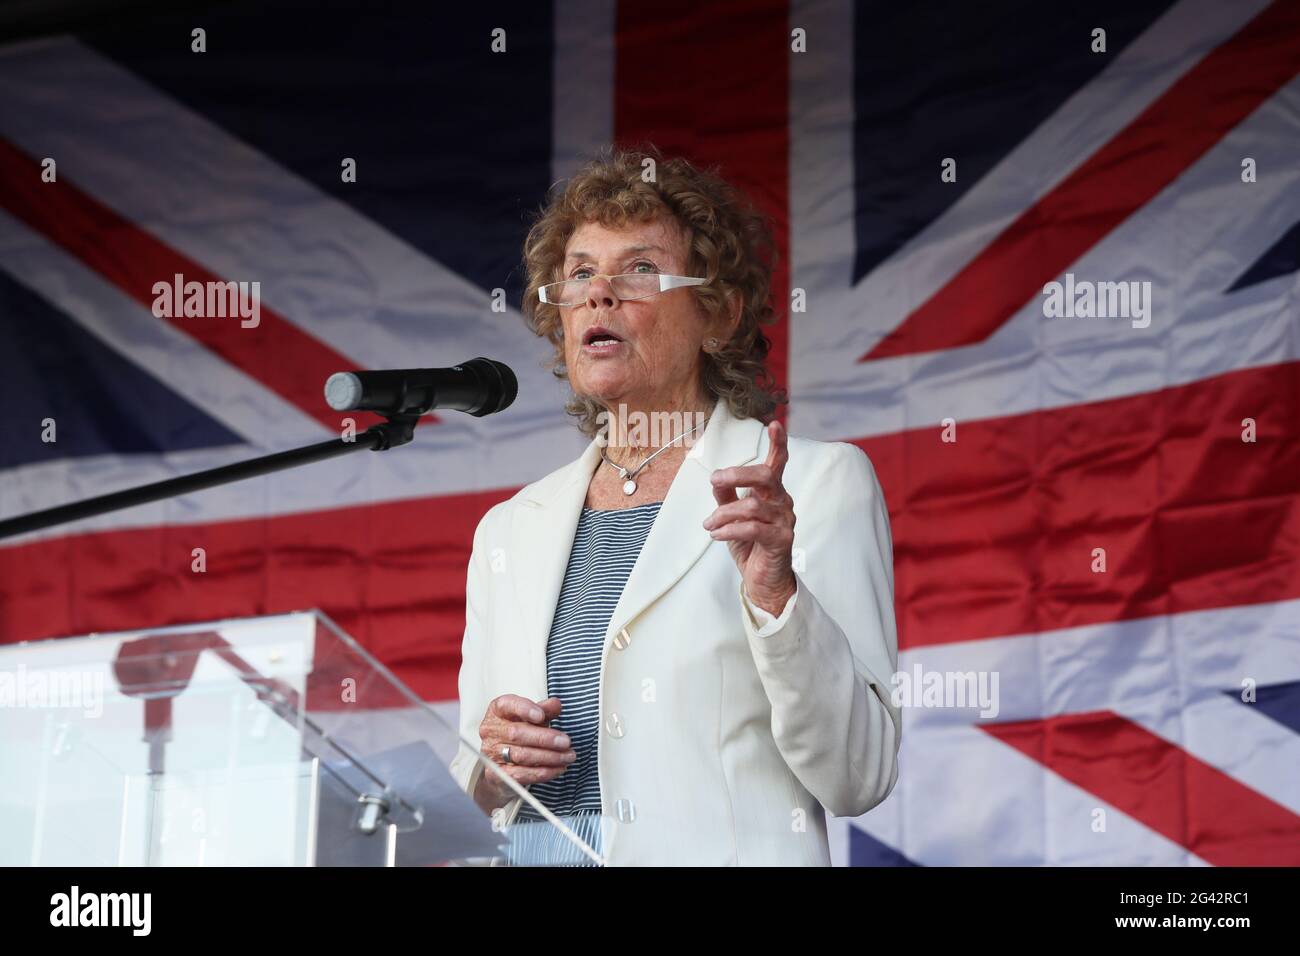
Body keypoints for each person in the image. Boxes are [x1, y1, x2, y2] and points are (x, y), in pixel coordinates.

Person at [449, 145, 900, 865]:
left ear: (718, 314)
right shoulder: (508, 530)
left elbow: (861, 773)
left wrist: (778, 593)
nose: (601, 293)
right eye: (580, 274)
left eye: (638, 270)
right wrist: (487, 765)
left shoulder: (815, 484)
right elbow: (472, 777)